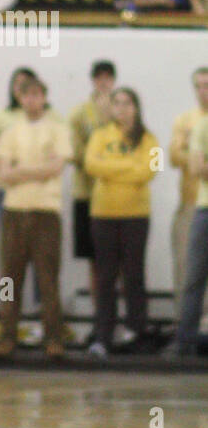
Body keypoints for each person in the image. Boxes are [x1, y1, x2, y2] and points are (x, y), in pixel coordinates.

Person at [0, 75, 71, 360]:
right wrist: (37, 169)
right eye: (27, 95)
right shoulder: (10, 131)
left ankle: (53, 338)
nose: (32, 100)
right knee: (10, 279)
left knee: (48, 277)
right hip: (14, 210)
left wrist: (21, 171)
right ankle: (7, 336)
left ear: (45, 98)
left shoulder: (58, 129)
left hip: (46, 211)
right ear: (20, 98)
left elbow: (56, 168)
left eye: (38, 95)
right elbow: (2, 175)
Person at [84, 88, 159, 358]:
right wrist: (129, 167)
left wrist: (112, 167)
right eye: (117, 103)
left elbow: (151, 171)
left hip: (136, 216)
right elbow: (91, 165)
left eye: (128, 103)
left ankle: (136, 332)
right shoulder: (99, 135)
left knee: (134, 275)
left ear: (136, 107)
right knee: (106, 277)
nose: (122, 108)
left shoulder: (150, 139)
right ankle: (103, 336)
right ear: (112, 108)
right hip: (103, 214)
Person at [68, 60, 116, 329]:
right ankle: (99, 320)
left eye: (108, 77)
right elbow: (75, 154)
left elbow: (147, 157)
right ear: (93, 80)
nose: (104, 82)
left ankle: (114, 320)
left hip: (117, 197)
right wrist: (97, 161)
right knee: (94, 260)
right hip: (87, 194)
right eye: (99, 77)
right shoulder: (79, 113)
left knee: (116, 262)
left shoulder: (122, 111)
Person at [172, 82, 208, 357]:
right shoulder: (201, 126)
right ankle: (185, 339)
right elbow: (196, 168)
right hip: (203, 209)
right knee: (193, 275)